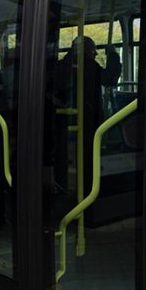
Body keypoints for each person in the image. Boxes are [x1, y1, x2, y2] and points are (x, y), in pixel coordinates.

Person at [52, 36, 121, 193]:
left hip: (65, 122)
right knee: (87, 161)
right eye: (93, 50)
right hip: (86, 121)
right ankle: (87, 191)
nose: (96, 54)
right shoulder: (86, 64)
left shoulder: (62, 65)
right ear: (86, 50)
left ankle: (65, 188)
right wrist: (113, 56)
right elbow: (109, 79)